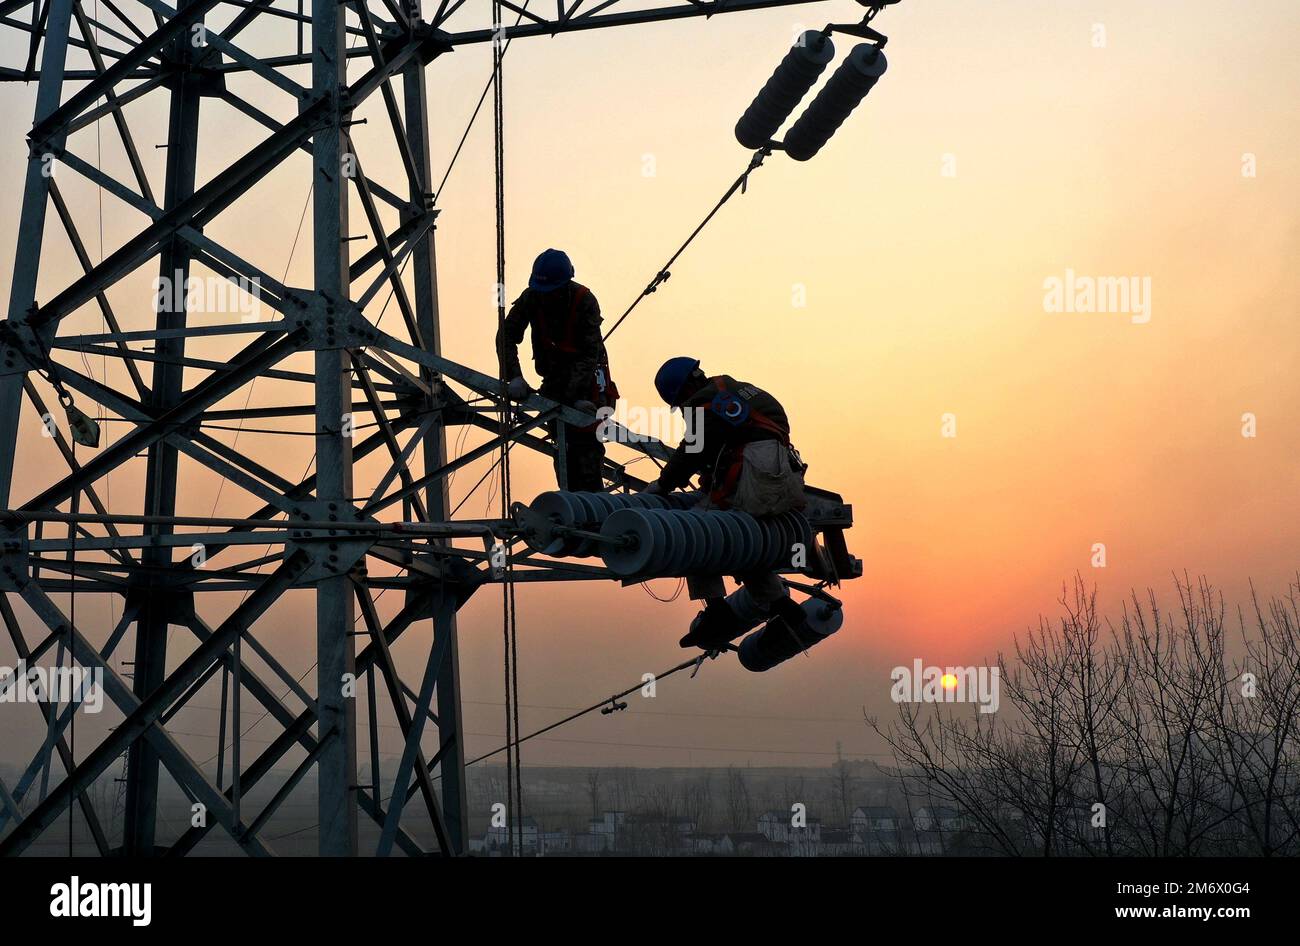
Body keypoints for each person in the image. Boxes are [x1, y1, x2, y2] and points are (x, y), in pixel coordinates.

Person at [642, 356, 809, 650]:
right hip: (782, 477)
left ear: (683, 391)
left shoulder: (700, 403)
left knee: (693, 531)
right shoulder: (734, 389)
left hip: (755, 478)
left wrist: (662, 485)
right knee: (739, 541)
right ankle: (783, 607)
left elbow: (691, 451)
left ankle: (717, 611)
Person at [496, 249, 617, 492]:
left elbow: (588, 356)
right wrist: (515, 376)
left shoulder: (585, 301)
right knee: (563, 444)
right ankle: (572, 500)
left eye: (551, 292)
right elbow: (506, 336)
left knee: (586, 444)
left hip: (588, 381)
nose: (547, 298)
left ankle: (591, 503)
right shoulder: (532, 297)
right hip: (554, 379)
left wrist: (573, 398)